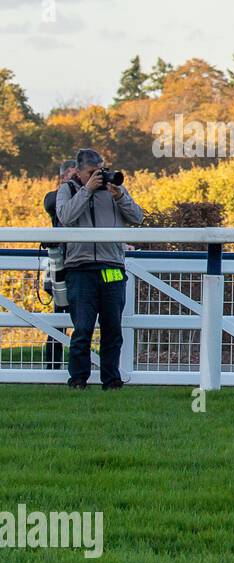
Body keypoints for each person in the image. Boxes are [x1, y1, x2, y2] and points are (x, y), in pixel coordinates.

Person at [55, 148, 145, 390]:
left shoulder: (113, 190)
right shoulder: (69, 189)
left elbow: (138, 217)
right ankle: (78, 379)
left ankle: (111, 379)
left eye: (100, 171)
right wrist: (87, 190)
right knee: (82, 328)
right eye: (92, 173)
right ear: (79, 171)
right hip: (80, 268)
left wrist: (119, 196)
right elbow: (65, 216)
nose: (98, 176)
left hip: (112, 266)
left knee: (112, 327)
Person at [41, 159, 78, 369]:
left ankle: (77, 363)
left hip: (79, 265)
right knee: (58, 318)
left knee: (80, 318)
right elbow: (51, 204)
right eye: (72, 176)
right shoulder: (54, 198)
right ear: (63, 177)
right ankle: (53, 366)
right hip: (60, 268)